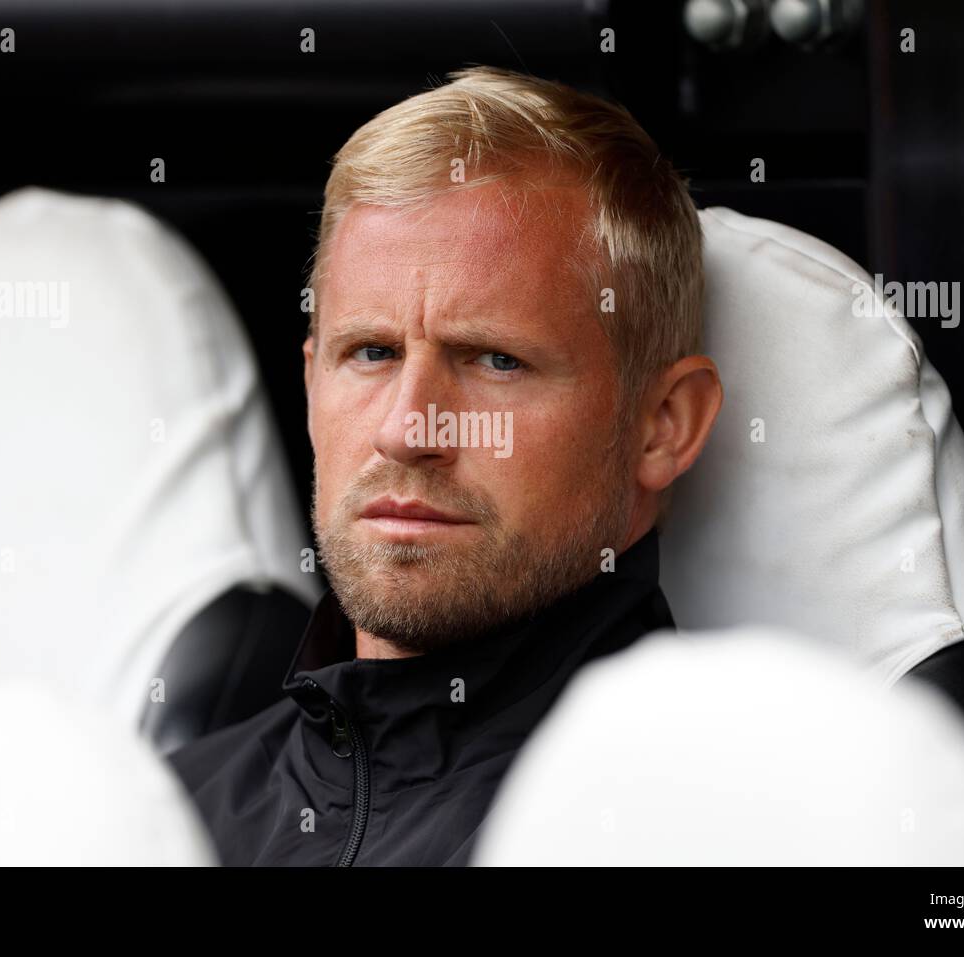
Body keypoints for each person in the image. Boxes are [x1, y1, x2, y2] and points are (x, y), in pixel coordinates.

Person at [167, 65, 723, 865]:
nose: (405, 428)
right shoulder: (161, 820)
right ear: (311, 381)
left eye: (495, 359)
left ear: (663, 425)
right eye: (370, 352)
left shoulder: (713, 819)